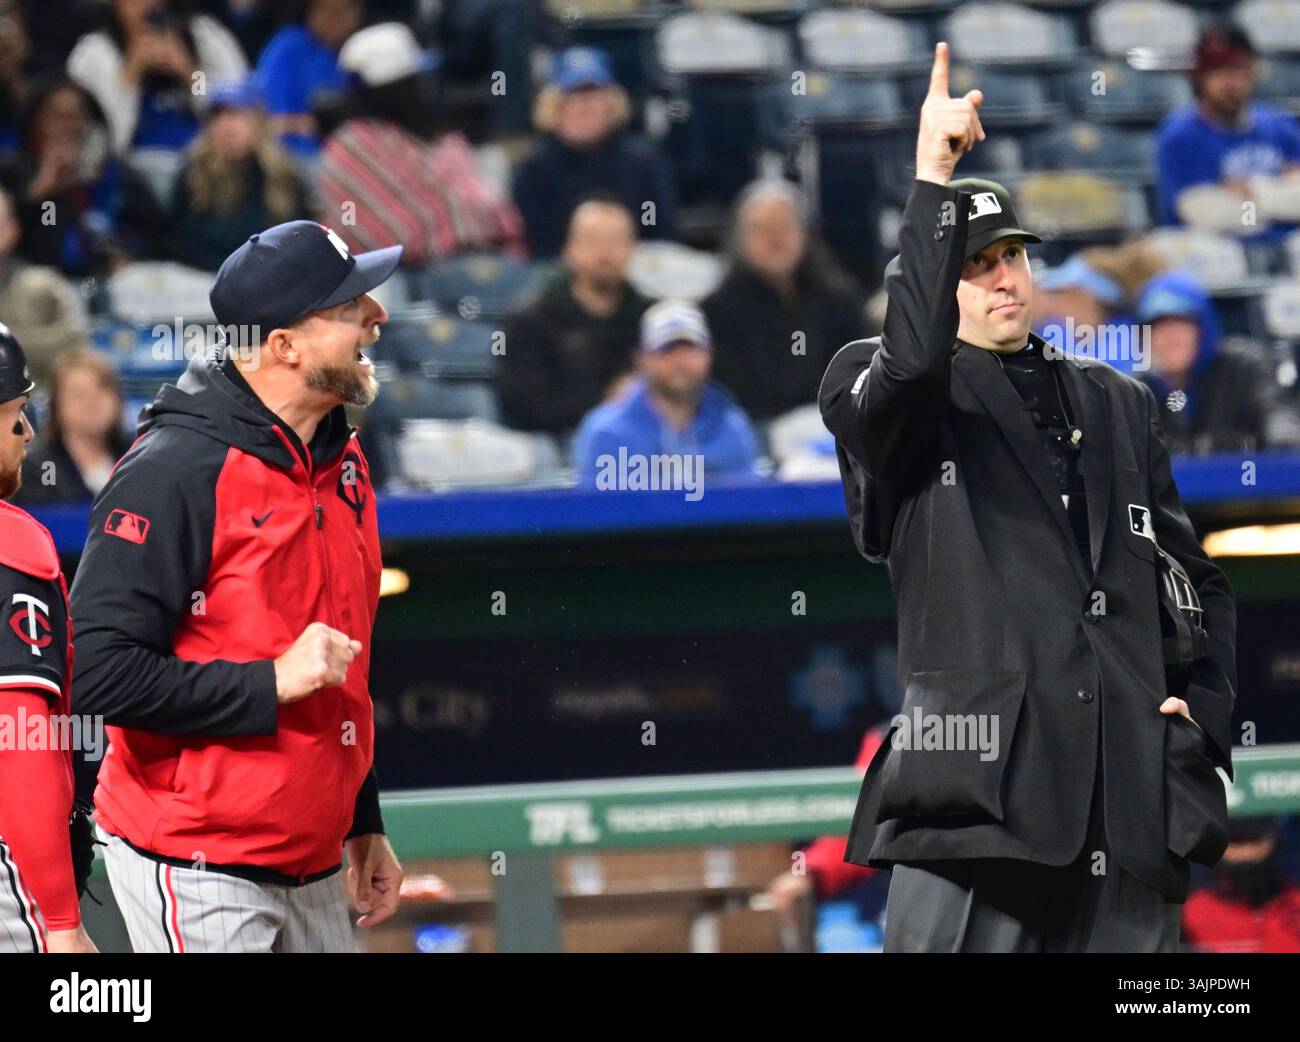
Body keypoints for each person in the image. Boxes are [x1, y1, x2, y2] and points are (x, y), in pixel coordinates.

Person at [819, 43, 1237, 953]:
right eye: (977, 264)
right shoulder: (877, 388)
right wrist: (933, 177)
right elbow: (911, 363)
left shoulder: (1118, 401)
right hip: (976, 800)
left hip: (1127, 802)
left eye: (1013, 255)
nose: (1006, 276)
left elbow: (1193, 579)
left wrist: (1202, 708)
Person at [69, 220, 403, 952]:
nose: (378, 318)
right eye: (353, 308)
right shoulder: (174, 468)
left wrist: (362, 816)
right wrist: (268, 682)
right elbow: (93, 671)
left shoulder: (341, 460)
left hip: (313, 860)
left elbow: (343, 664)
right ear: (284, 346)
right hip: (196, 859)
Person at [0, 325, 97, 953]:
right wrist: (60, 918)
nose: (30, 433)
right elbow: (18, 738)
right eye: (14, 416)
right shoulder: (13, 541)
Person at [316, 21, 523, 267]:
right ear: (397, 87)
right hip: (397, 279)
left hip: (478, 263)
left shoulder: (439, 137)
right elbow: (385, 239)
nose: (424, 86)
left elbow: (496, 214)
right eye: (415, 79)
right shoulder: (350, 148)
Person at [703, 179, 868, 422]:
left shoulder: (839, 298)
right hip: (755, 429)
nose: (774, 239)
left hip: (830, 425)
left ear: (804, 233)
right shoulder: (718, 309)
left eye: (783, 227)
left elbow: (858, 372)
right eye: (761, 229)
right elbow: (726, 390)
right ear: (739, 238)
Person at [499, 197, 650, 435]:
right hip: (556, 437)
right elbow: (522, 403)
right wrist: (607, 401)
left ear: (633, 248)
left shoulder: (649, 318)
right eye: (593, 241)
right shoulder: (529, 319)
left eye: (616, 241)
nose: (605, 253)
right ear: (569, 249)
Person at [512, 47, 678, 259]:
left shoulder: (644, 164)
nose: (585, 106)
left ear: (612, 104)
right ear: (554, 107)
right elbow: (534, 242)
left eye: (594, 96)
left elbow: (658, 229)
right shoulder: (533, 170)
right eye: (574, 97)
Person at [573, 300, 762, 486]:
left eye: (690, 349)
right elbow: (595, 509)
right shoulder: (608, 433)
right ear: (641, 358)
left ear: (709, 354)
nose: (680, 361)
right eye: (666, 350)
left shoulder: (732, 427)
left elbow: (747, 504)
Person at [0, 76, 170, 277]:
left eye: (76, 116)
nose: (68, 127)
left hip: (121, 284)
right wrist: (40, 192)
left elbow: (159, 238)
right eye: (57, 117)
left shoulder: (116, 174)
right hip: (34, 284)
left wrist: (102, 188)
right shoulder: (11, 171)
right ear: (34, 124)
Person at [1155, 23, 1300, 241]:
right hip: (1214, 260)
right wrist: (1278, 196)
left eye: (1238, 70)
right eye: (1217, 71)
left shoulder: (1281, 127)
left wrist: (1253, 190)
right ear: (1199, 77)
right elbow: (1204, 215)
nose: (1230, 82)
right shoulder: (1179, 137)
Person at [1132, 270, 1300, 454]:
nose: (1171, 337)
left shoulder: (1243, 368)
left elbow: (1277, 412)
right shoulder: (1139, 392)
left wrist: (1282, 437)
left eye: (1182, 324)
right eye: (1159, 327)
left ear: (1204, 330)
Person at [66, 0, 248, 155]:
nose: (146, 5)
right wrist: (130, 78)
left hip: (203, 162)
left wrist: (190, 73)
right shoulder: (94, 54)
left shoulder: (202, 36)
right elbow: (109, 144)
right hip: (133, 170)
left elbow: (237, 107)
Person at [170, 78, 313, 271]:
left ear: (259, 122)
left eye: (236, 115)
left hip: (273, 281)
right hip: (205, 282)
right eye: (217, 117)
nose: (227, 126)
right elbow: (178, 243)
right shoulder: (193, 176)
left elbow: (301, 241)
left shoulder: (286, 177)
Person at [15, 347, 131, 505]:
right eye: (78, 393)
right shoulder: (34, 470)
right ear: (56, 406)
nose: (92, 401)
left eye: (102, 389)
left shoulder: (139, 457)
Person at [0, 184, 88, 385]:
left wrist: (9, 343)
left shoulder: (45, 287)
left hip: (35, 404)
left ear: (12, 231)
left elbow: (75, 342)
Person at [255, 0, 363, 156]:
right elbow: (270, 121)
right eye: (325, 10)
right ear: (310, 11)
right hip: (295, 159)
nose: (333, 18)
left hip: (354, 158)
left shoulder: (365, 51)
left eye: (342, 10)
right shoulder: (288, 48)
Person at [1182, 819, 1300, 952]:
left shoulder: (1296, 901)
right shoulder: (1191, 913)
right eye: (1237, 839)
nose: (1246, 850)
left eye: (1253, 838)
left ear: (1274, 838)